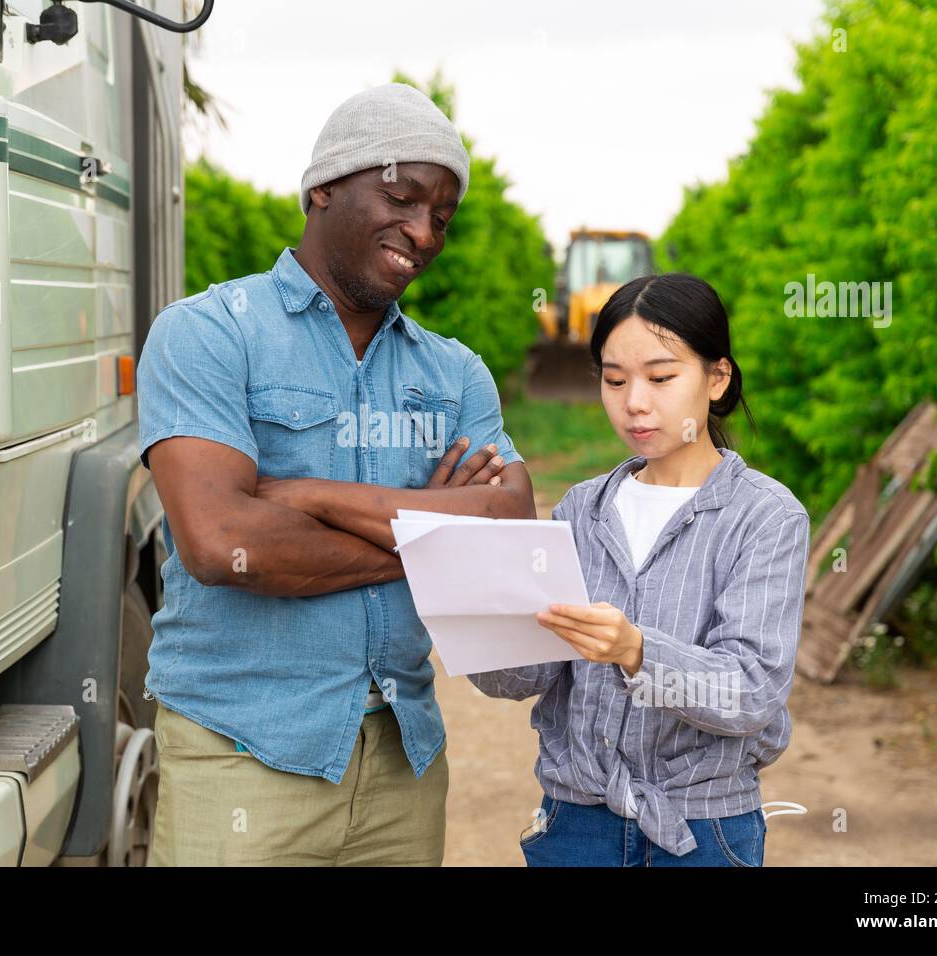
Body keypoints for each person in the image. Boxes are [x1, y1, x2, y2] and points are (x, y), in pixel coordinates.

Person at [137, 82, 536, 866]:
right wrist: (434, 530)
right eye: (403, 198)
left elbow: (514, 528)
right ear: (324, 185)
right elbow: (220, 545)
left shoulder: (455, 374)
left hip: (402, 763)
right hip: (244, 754)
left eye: (442, 218)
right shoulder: (209, 335)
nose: (422, 232)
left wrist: (311, 499)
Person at [470, 272, 810, 867]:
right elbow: (525, 676)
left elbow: (753, 691)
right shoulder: (580, 509)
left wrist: (636, 651)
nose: (634, 403)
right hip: (574, 827)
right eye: (614, 380)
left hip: (706, 832)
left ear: (717, 378)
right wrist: (474, 607)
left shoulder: (765, 516)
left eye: (660, 377)